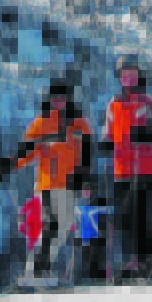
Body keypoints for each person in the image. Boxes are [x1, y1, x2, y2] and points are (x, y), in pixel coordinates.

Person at [12, 81, 93, 285]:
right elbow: (27, 149)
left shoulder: (79, 123)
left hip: (69, 184)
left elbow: (86, 155)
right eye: (55, 98)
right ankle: (34, 272)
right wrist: (13, 163)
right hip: (48, 183)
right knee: (51, 226)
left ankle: (42, 270)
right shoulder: (42, 122)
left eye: (63, 98)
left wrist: (84, 179)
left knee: (64, 227)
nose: (59, 102)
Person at [100, 56, 152, 280]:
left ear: (139, 75)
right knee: (125, 217)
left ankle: (145, 259)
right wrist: (105, 142)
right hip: (122, 168)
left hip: (146, 166)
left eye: (132, 73)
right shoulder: (114, 103)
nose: (128, 78)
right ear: (119, 77)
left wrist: (146, 136)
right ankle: (138, 259)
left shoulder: (147, 100)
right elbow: (109, 131)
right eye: (124, 74)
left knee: (139, 213)